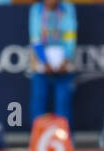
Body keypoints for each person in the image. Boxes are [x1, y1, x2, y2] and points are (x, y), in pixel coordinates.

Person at [28, 0, 77, 129]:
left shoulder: (67, 8)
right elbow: (35, 38)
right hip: (41, 66)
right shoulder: (36, 10)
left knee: (63, 105)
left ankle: (64, 140)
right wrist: (44, 62)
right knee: (39, 103)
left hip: (63, 66)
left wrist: (66, 59)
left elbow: (70, 36)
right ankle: (37, 139)